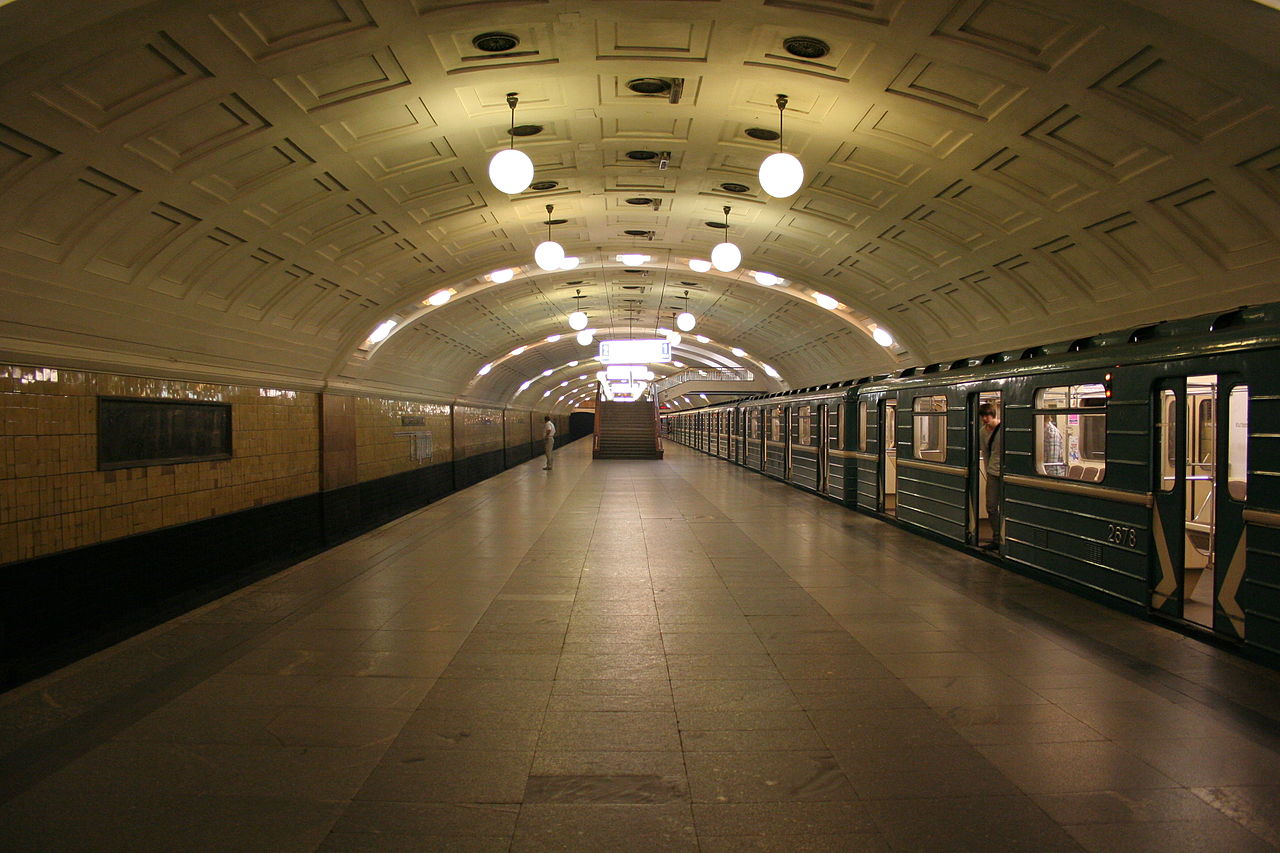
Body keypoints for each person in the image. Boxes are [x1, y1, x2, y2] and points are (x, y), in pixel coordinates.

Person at [979, 402, 1003, 549]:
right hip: (993, 472)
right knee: (991, 506)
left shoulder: (1003, 428)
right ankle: (997, 538)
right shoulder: (983, 432)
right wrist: (988, 470)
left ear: (993, 415)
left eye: (987, 415)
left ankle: (1005, 537)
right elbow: (985, 452)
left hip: (1006, 473)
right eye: (982, 416)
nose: (984, 419)